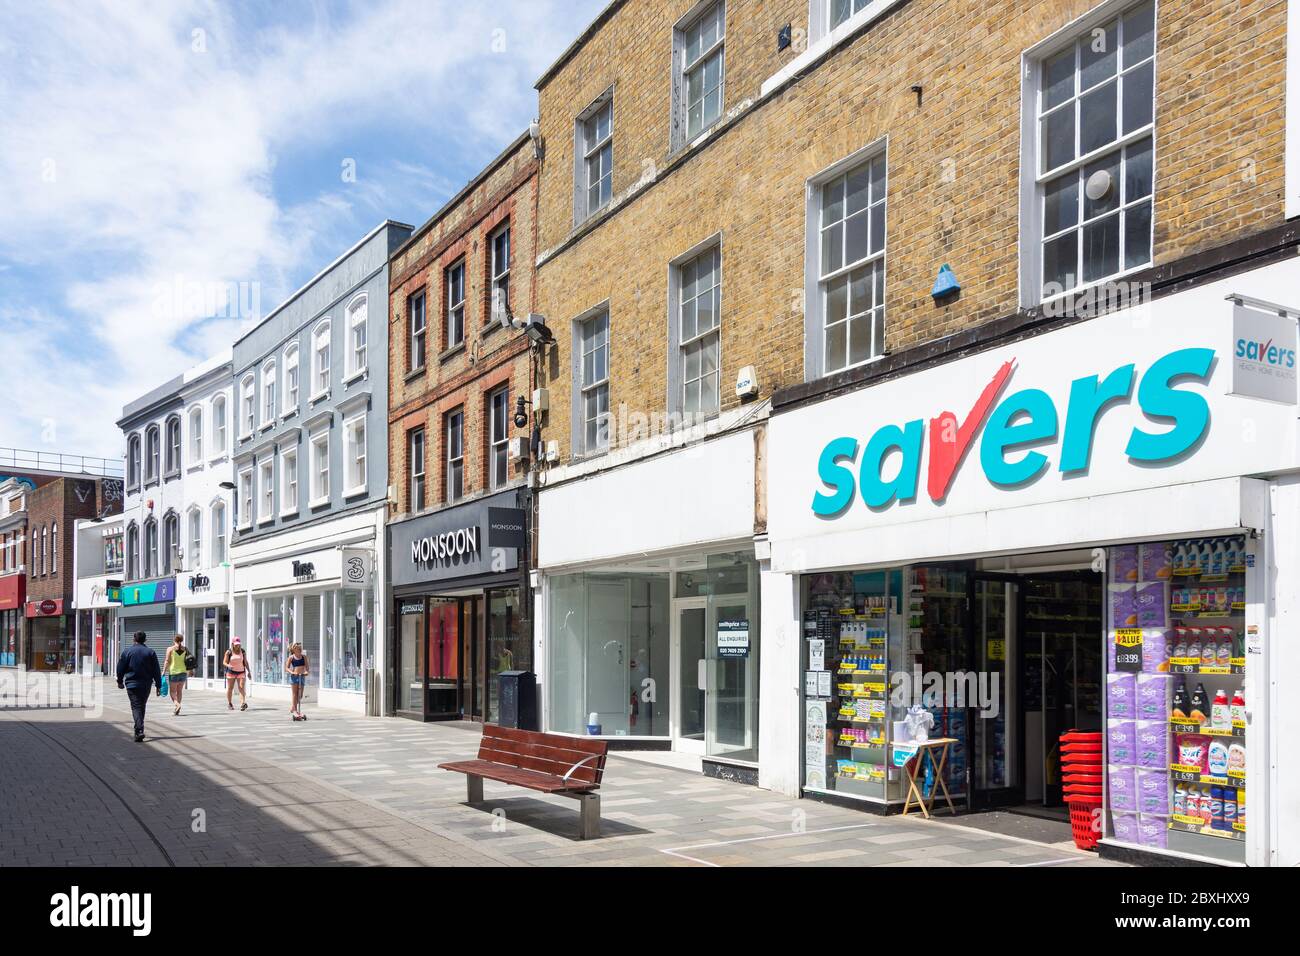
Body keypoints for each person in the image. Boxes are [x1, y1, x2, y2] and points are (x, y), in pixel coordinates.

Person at [116, 632, 162, 742]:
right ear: (145, 640)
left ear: (134, 639)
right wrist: (158, 685)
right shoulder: (150, 652)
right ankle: (139, 729)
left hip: (132, 684)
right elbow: (156, 670)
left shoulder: (127, 652)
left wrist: (120, 681)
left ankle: (139, 730)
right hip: (146, 684)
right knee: (142, 705)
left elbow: (120, 667)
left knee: (136, 706)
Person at [162, 634, 192, 716]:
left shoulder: (170, 649)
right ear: (181, 640)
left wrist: (163, 671)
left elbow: (167, 661)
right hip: (183, 672)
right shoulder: (185, 649)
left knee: (172, 692)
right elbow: (189, 660)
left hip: (174, 673)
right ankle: (177, 709)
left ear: (174, 640)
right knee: (179, 691)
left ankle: (177, 705)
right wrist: (189, 671)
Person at [285, 642, 309, 721]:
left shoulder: (304, 657)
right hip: (294, 677)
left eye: (300, 649)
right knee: (295, 694)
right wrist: (292, 672)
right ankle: (295, 710)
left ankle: (293, 707)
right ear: (294, 650)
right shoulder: (291, 657)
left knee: (300, 695)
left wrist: (306, 672)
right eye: (298, 649)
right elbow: (287, 668)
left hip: (301, 676)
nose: (300, 650)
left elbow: (307, 667)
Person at [224, 637, 250, 711]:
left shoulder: (242, 651)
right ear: (232, 644)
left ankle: (242, 703)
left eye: (238, 644)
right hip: (231, 672)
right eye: (236, 645)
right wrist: (228, 665)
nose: (237, 646)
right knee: (230, 688)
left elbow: (245, 662)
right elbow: (224, 662)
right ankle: (230, 703)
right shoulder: (229, 652)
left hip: (241, 672)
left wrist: (249, 672)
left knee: (241, 687)